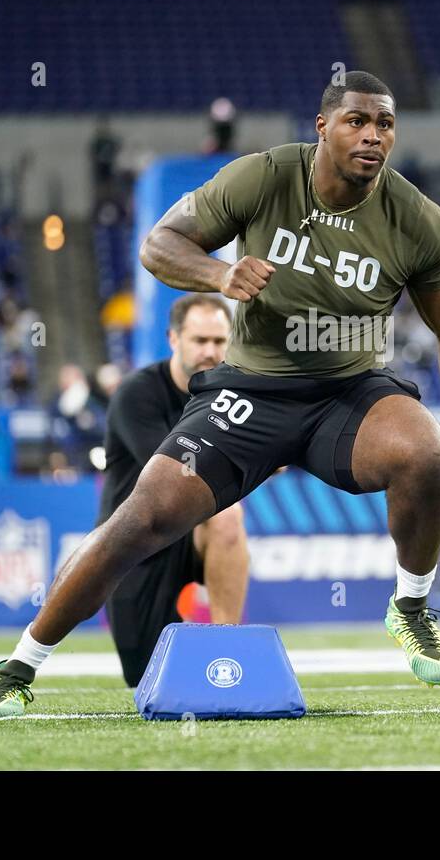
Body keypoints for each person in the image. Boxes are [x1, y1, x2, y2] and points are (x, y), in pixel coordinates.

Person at [0, 71, 440, 716]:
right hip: (251, 391)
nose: (373, 135)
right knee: (137, 521)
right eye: (357, 121)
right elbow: (159, 244)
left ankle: (411, 606)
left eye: (385, 124)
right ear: (322, 127)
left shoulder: (418, 221)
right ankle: (20, 663)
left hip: (347, 394)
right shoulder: (263, 176)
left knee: (425, 451)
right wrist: (220, 272)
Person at [101, 294, 249, 686]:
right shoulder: (137, 394)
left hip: (191, 534)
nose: (210, 351)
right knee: (152, 680)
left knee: (228, 518)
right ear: (173, 339)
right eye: (199, 340)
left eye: (219, 341)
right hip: (135, 548)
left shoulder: (237, 394)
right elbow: (181, 477)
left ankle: (226, 651)